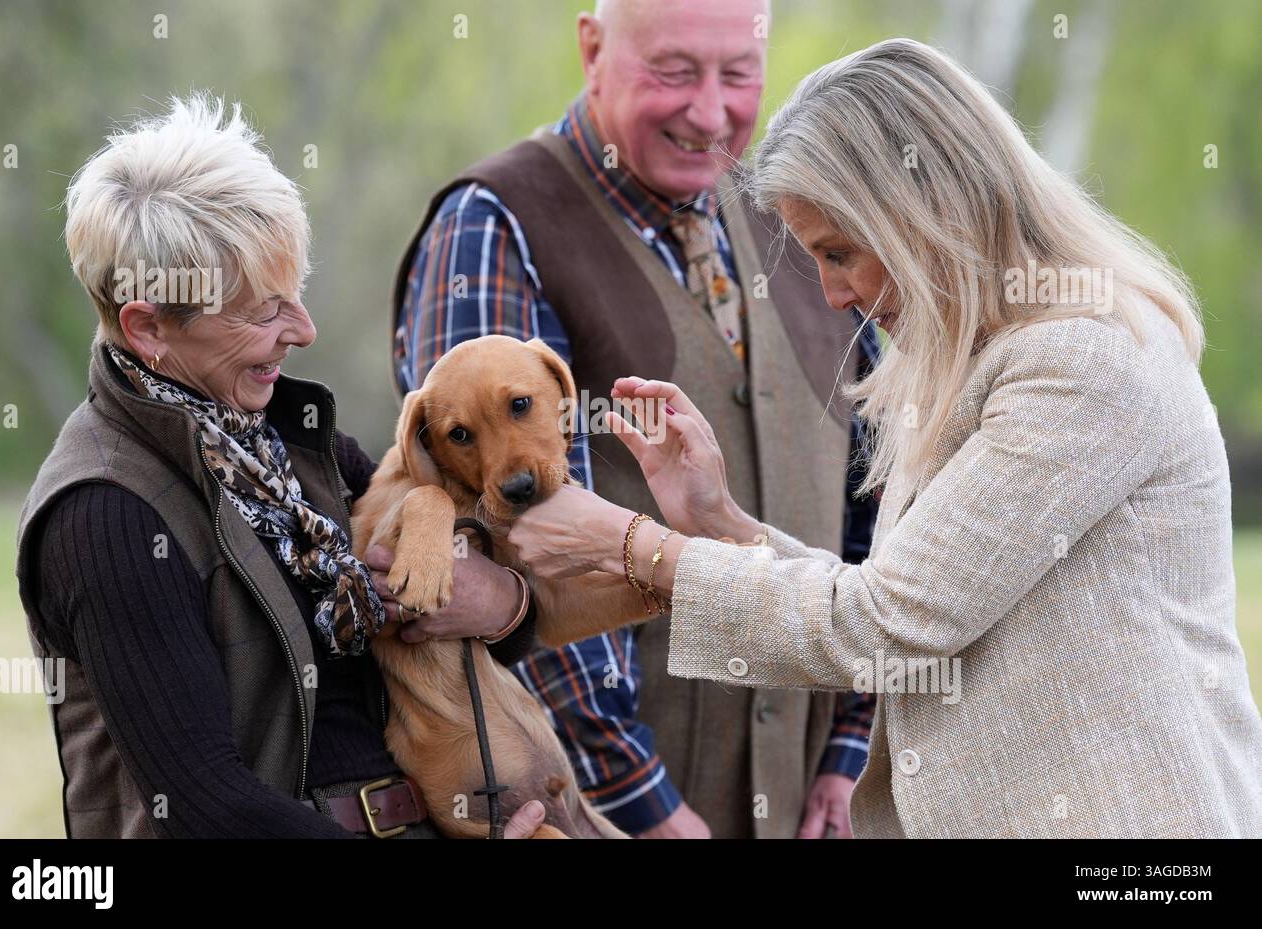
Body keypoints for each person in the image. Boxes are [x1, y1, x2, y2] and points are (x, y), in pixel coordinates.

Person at [506, 38, 1262, 838]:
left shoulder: (1083, 358)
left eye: (840, 253)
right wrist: (720, 521)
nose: (833, 295)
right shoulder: (981, 357)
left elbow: (886, 625)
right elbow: (910, 594)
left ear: (922, 210)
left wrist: (631, 543)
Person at [393, 0, 876, 839]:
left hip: (811, 800)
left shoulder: (798, 217)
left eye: (739, 73)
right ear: (591, 47)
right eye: (675, 71)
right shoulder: (497, 224)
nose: (711, 110)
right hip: (597, 813)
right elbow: (508, 532)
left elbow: (872, 489)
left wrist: (849, 747)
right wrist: (644, 806)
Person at [15, 93, 545, 838]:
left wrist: (502, 601)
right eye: (265, 312)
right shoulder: (105, 513)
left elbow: (497, 618)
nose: (304, 328)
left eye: (294, 295)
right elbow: (208, 806)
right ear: (149, 329)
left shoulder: (292, 443)